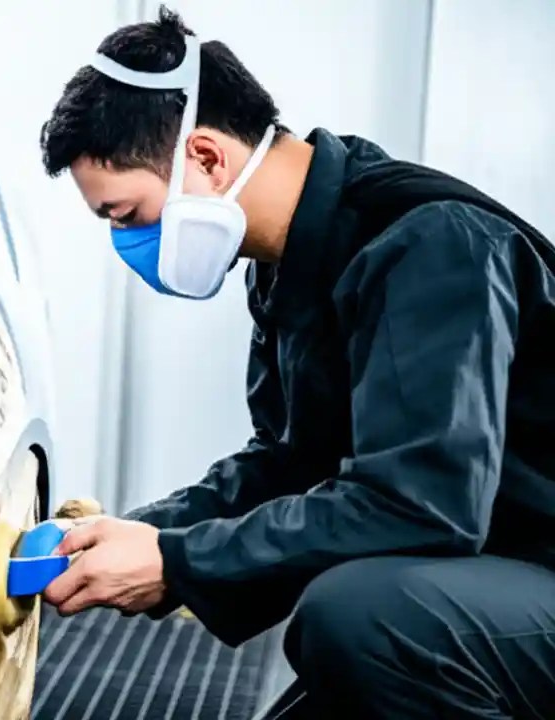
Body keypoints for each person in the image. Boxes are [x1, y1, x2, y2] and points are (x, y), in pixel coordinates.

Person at [37, 7, 555, 719]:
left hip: (530, 578)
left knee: (363, 621)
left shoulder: (431, 243)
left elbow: (418, 504)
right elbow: (291, 463)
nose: (129, 243)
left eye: (127, 215)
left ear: (208, 156)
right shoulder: (289, 263)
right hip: (493, 581)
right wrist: (146, 534)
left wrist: (179, 562)